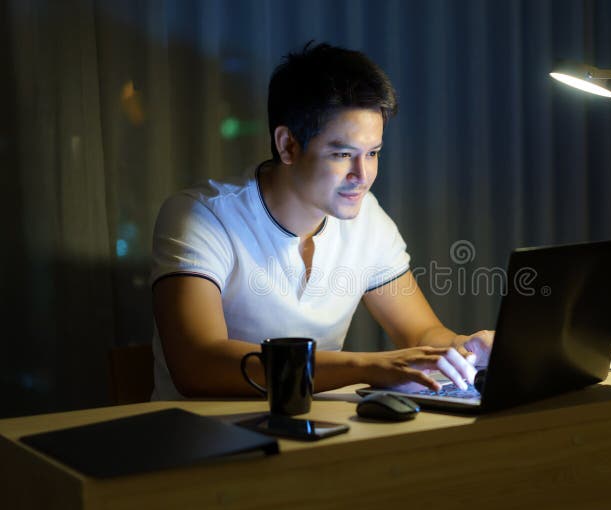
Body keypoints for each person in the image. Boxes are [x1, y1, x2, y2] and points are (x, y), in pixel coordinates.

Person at [150, 42, 493, 400]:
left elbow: (421, 334)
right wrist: (365, 367)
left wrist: (466, 349)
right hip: (203, 437)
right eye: (343, 154)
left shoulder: (368, 219)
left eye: (373, 153)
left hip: (316, 431)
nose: (362, 175)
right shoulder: (203, 217)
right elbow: (198, 365)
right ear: (287, 145)